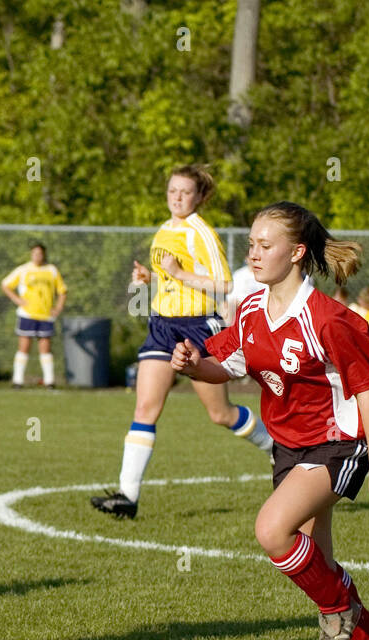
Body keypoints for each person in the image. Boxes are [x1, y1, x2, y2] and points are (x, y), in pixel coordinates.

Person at [172, 202, 369, 640]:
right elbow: (224, 366)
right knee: (319, 566)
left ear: (296, 252)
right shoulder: (250, 310)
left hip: (339, 441)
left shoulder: (328, 319)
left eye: (265, 245)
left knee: (272, 530)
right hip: (289, 443)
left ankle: (342, 613)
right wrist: (192, 365)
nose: (253, 254)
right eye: (250, 244)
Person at [91, 164, 272, 519]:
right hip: (162, 324)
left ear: (199, 196)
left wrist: (177, 273)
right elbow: (170, 278)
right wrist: (150, 277)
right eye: (172, 190)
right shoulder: (163, 230)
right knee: (145, 408)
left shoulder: (200, 232)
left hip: (198, 328)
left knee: (220, 413)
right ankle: (127, 497)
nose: (177, 197)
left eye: (184, 192)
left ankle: (276, 446)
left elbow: (224, 285)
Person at [0, 241, 66, 389]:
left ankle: (49, 381)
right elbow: (5, 284)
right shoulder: (24, 269)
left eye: (40, 253)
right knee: (24, 346)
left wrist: (58, 307)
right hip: (27, 314)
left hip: (46, 315)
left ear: (44, 254)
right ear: (31, 255)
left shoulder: (51, 270)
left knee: (45, 348)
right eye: (34, 253)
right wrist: (17, 299)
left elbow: (62, 291)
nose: (37, 256)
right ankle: (18, 380)